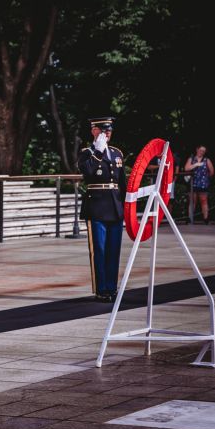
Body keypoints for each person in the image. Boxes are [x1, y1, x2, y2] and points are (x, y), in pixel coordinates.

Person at [77, 117, 126, 302]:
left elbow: (123, 183)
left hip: (115, 206)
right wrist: (97, 152)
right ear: (93, 131)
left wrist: (127, 208)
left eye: (109, 130)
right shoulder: (87, 153)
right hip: (96, 206)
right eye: (103, 130)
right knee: (99, 249)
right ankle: (101, 289)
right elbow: (88, 172)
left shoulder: (116, 153)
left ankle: (112, 287)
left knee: (114, 249)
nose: (107, 133)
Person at [185, 145, 214, 225]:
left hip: (203, 183)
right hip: (193, 183)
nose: (202, 152)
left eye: (204, 151)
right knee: (192, 201)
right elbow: (186, 168)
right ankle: (190, 218)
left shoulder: (206, 160)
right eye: (201, 150)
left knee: (203, 201)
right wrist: (195, 165)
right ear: (197, 150)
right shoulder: (191, 159)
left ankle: (206, 218)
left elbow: (211, 171)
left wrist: (206, 178)